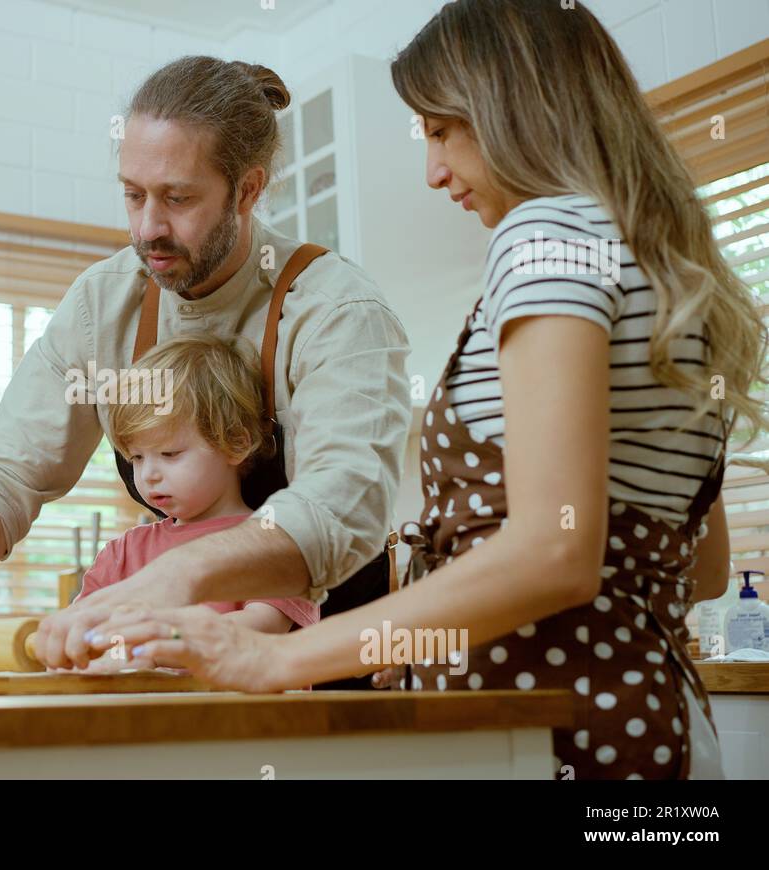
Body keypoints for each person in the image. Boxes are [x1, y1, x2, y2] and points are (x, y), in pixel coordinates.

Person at [87, 0, 767, 779]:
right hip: (657, 725)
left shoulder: (545, 240)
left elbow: (554, 552)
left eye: (443, 130)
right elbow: (699, 571)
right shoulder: (661, 269)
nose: (433, 169)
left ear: (517, 110)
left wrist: (282, 657)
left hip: (555, 730)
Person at [0, 56, 411, 679]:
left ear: (247, 189)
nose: (147, 228)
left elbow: (342, 507)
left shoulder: (334, 308)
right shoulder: (103, 304)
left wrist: (170, 579)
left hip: (330, 673)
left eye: (178, 198)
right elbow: (7, 474)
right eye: (133, 195)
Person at [71, 333, 318, 674]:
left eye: (169, 454)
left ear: (235, 442)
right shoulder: (122, 553)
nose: (149, 475)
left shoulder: (274, 543)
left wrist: (162, 641)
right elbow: (83, 634)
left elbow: (264, 626)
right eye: (137, 457)